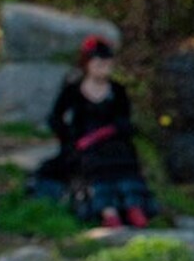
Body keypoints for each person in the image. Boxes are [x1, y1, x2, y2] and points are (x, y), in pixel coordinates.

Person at [45, 36, 156, 228]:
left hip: (114, 142)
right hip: (85, 144)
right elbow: (55, 118)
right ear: (87, 64)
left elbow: (124, 119)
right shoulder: (73, 90)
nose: (103, 67)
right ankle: (107, 212)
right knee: (92, 167)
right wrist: (69, 137)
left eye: (106, 63)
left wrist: (115, 130)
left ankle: (134, 207)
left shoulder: (117, 90)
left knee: (125, 164)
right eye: (98, 63)